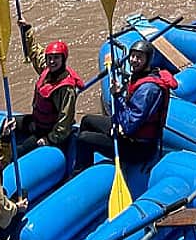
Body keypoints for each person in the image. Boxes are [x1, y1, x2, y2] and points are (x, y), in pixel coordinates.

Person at [76, 39, 177, 168]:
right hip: (128, 133)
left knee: (84, 138)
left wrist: (117, 96)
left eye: (139, 57)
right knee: (87, 120)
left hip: (137, 147)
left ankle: (78, 173)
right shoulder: (141, 76)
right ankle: (86, 162)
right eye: (132, 56)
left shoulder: (148, 89)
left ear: (148, 60)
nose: (134, 60)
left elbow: (129, 126)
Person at [17, 21, 84, 154]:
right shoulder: (46, 70)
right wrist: (27, 30)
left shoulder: (66, 89)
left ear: (63, 59)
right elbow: (35, 52)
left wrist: (49, 139)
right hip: (37, 122)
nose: (52, 61)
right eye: (50, 58)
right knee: (9, 124)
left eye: (56, 58)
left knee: (21, 150)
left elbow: (65, 121)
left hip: (49, 130)